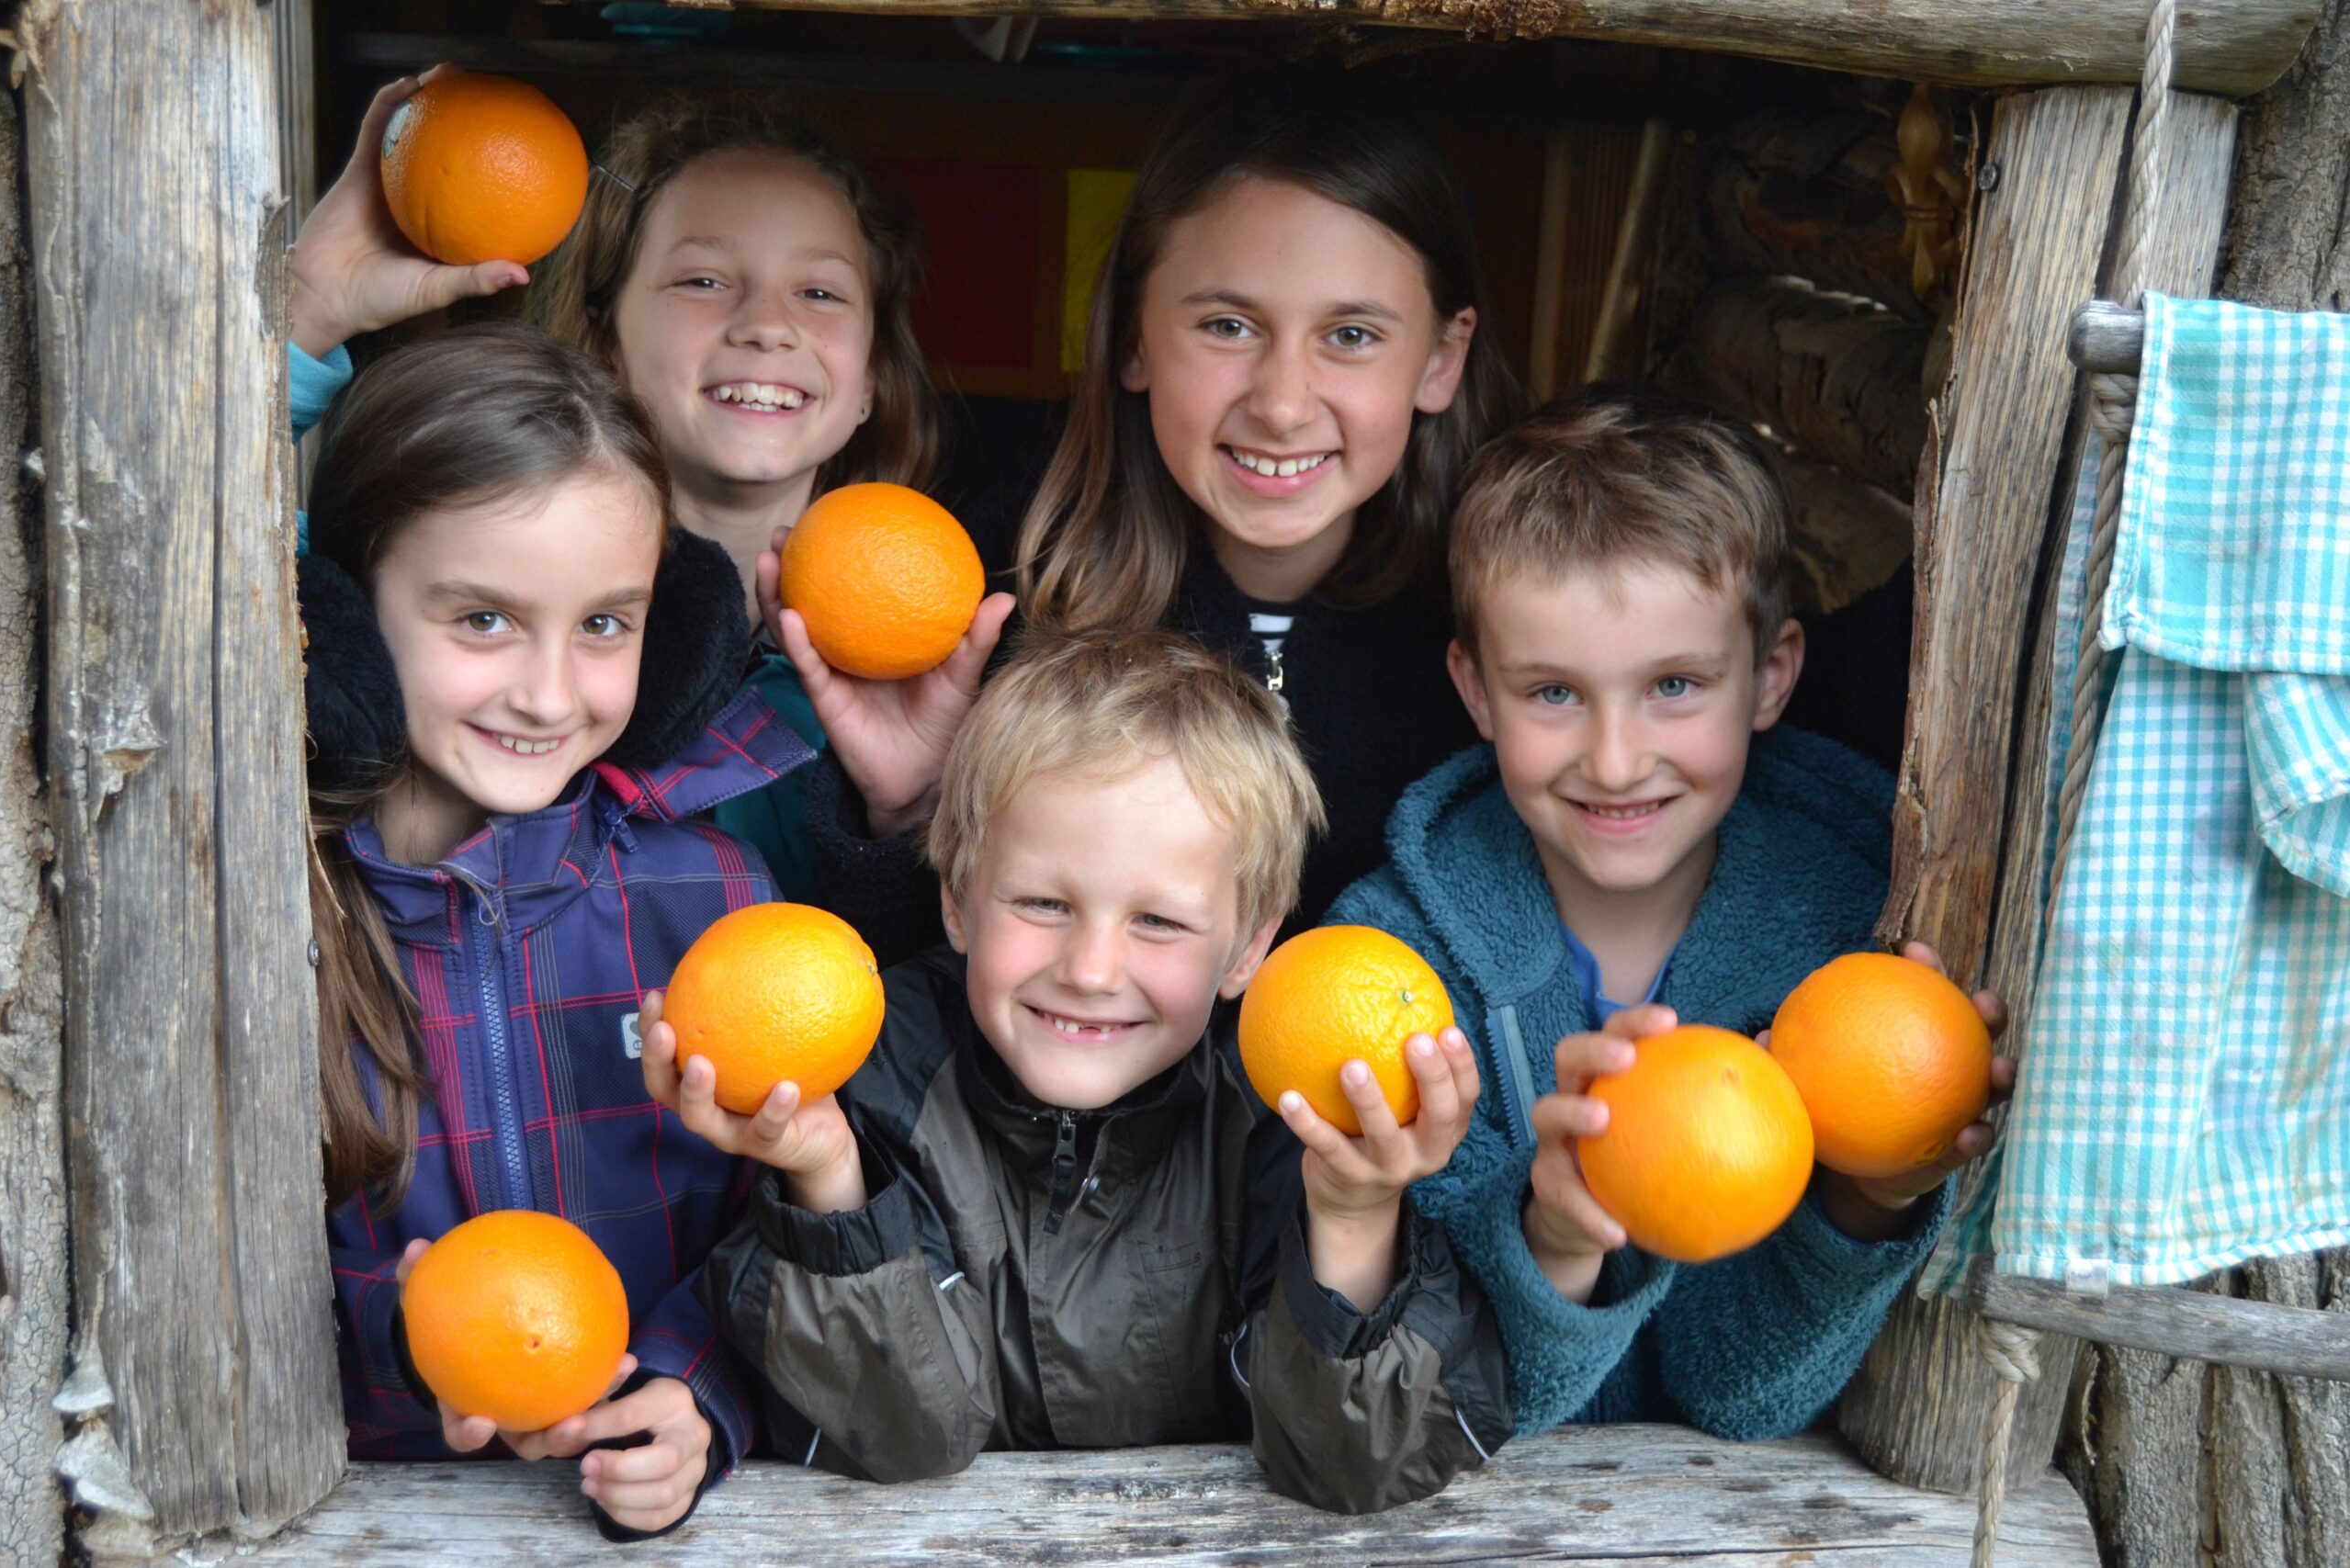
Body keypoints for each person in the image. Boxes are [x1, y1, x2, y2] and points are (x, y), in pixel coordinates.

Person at [643, 630, 1511, 1512]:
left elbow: (1350, 1463)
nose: (1091, 969)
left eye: (1159, 922)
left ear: (1250, 946)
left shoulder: (1282, 1112)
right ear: (956, 897)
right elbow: (905, 1431)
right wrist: (828, 1173)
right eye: (1044, 903)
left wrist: (1356, 1215)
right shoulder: (874, 1072)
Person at [1326, 388, 2016, 1437]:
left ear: (1772, 676)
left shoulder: (1856, 948)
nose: (1614, 759)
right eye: (1553, 693)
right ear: (1474, 694)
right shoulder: (1390, 965)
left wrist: (1873, 1194)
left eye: (1675, 686)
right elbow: (1456, 1412)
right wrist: (1557, 1236)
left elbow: (1740, 1395)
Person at [814, 71, 1524, 959]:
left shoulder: (1500, 630)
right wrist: (907, 815)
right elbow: (916, 1015)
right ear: (1133, 339)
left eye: (1350, 336)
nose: (1282, 403)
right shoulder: (992, 598)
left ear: (1440, 360)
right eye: (1228, 326)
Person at [304, 323, 806, 1536]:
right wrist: (410, 1338)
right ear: (346, 617)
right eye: (482, 619)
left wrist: (698, 1391)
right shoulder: (273, 918)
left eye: (604, 624)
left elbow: (782, 1232)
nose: (547, 691)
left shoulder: (724, 902)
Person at [529, 91, 1012, 897]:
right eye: (705, 278)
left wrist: (908, 814)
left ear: (869, 380)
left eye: (819, 293)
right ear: (605, 342)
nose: (766, 325)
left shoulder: (947, 657)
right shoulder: (520, 594)